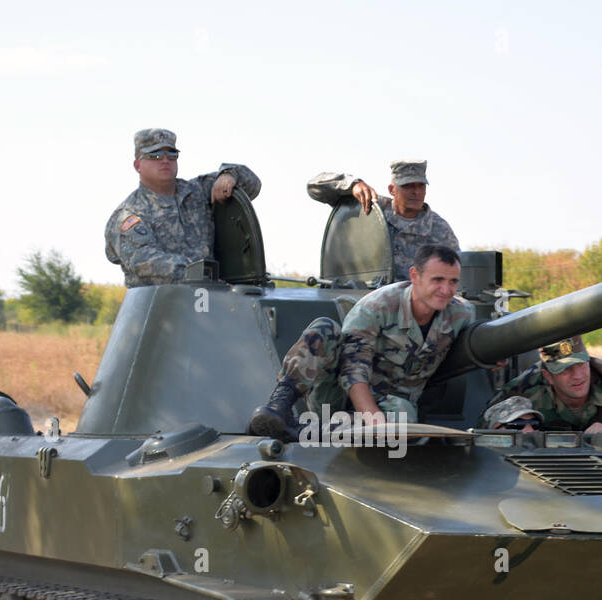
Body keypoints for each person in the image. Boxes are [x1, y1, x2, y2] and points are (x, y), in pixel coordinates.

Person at [249, 244, 473, 439]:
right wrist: (372, 418)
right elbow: (352, 370)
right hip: (338, 396)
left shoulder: (459, 315)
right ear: (415, 276)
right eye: (438, 280)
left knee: (403, 424)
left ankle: (308, 431)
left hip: (393, 404)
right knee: (324, 328)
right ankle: (279, 407)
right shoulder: (377, 307)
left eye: (453, 281)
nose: (446, 290)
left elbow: (476, 342)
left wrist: (494, 358)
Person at [105, 128, 261, 287]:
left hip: (212, 300)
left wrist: (229, 175)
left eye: (172, 155)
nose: (165, 160)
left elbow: (252, 185)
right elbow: (143, 261)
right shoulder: (129, 214)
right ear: (137, 165)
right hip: (162, 305)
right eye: (155, 155)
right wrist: (202, 275)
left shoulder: (199, 191)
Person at [308, 160, 459, 282]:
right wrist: (352, 184)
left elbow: (456, 274)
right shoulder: (370, 207)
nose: (416, 191)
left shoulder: (440, 229)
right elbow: (314, 186)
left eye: (421, 185)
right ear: (392, 189)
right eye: (407, 186)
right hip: (366, 303)